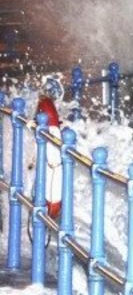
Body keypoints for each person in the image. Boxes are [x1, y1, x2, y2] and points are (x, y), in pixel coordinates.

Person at [35, 78, 63, 219]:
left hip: (46, 129)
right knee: (55, 165)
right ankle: (51, 208)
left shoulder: (42, 104)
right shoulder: (46, 105)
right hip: (50, 131)